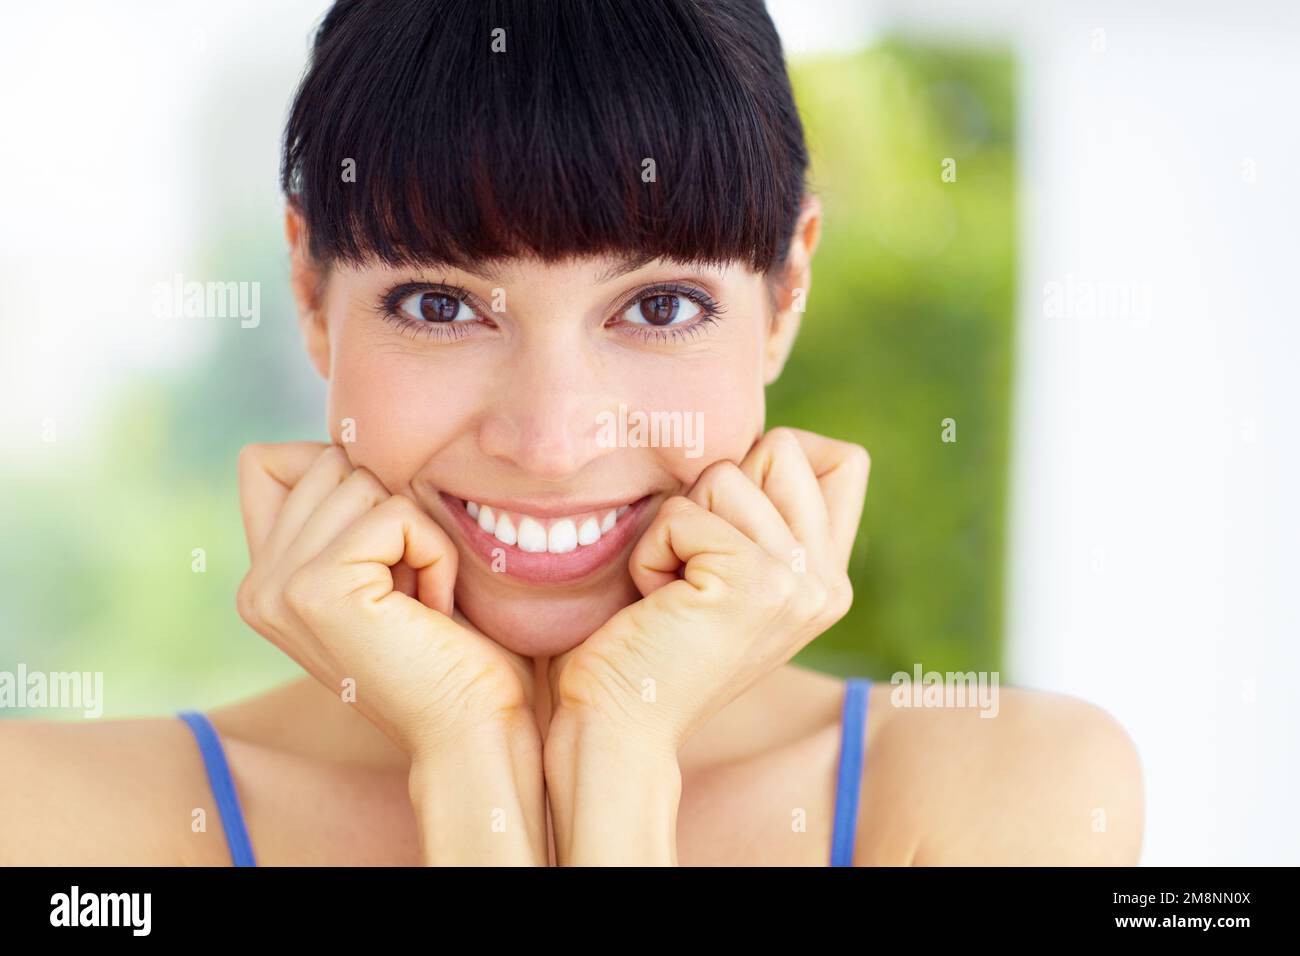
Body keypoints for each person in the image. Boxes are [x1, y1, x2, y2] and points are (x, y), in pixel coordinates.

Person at [0, 0, 1142, 866]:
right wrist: (460, 751)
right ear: (308, 289)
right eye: (441, 305)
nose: (548, 441)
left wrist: (624, 747)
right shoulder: (56, 822)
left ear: (786, 289)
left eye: (656, 307)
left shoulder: (1005, 794)